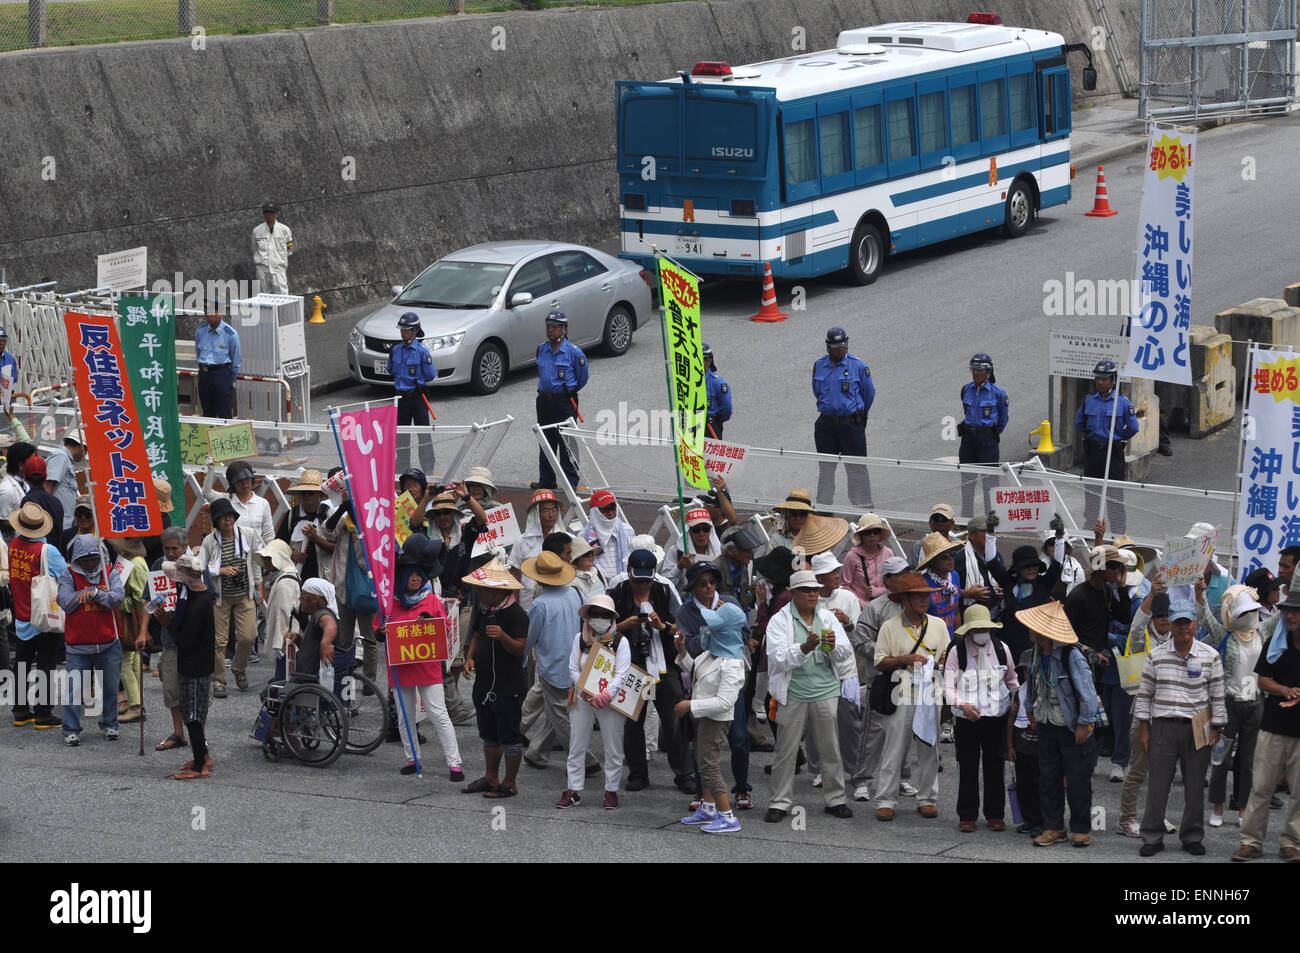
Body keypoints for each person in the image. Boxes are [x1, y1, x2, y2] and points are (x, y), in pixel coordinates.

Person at [1133, 600, 1226, 857]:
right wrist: (1144, 728)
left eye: (1188, 622)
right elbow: (1145, 694)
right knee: (1158, 785)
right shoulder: (1156, 655)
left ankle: (1192, 836)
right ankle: (1152, 836)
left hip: (1199, 726)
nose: (1183, 627)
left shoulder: (1210, 655)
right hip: (1163, 725)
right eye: (1178, 622)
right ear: (1171, 626)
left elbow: (1218, 695)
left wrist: (1217, 727)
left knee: (1195, 786)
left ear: (1196, 624)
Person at [764, 570, 856, 822]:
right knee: (786, 749)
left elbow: (846, 651)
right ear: (793, 593)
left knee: (830, 747)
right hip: (793, 692)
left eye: (815, 590)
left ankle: (835, 798)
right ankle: (779, 801)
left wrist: (832, 645)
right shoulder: (780, 620)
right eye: (807, 590)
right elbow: (777, 658)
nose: (813, 594)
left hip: (825, 689)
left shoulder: (827, 617)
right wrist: (804, 648)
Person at [608, 548, 690, 791]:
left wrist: (662, 626)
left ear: (654, 576)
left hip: (664, 663)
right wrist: (624, 625)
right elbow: (600, 630)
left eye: (646, 580)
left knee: (674, 719)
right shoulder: (616, 593)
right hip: (631, 665)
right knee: (633, 722)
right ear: (628, 574)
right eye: (637, 580)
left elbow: (681, 626)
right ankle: (637, 773)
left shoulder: (664, 590)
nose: (642, 585)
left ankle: (684, 773)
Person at [1020, 600, 1101, 847]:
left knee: (1077, 780)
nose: (1029, 630)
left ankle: (1080, 828)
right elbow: (1033, 683)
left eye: (1034, 627)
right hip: (1046, 723)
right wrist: (1030, 709)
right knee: (1048, 778)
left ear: (1045, 631)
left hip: (1070, 725)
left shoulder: (1071, 655)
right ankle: (1053, 826)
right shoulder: (1035, 652)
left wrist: (1084, 724)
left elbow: (1087, 693)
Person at [380, 543, 463, 780]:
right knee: (406, 716)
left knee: (438, 713)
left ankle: (455, 763)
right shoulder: (389, 603)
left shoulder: (432, 601)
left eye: (419, 574)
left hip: (427, 666)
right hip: (400, 666)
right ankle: (412, 758)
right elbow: (379, 627)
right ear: (401, 577)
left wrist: (431, 623)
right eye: (410, 574)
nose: (415, 578)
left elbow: (446, 629)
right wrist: (380, 633)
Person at [675, 561, 754, 810]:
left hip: (727, 678)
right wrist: (688, 647)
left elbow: (744, 636)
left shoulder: (729, 603)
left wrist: (718, 625)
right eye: (702, 584)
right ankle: (704, 795)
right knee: (702, 745)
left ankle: (739, 791)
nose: (709, 587)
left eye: (712, 582)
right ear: (693, 588)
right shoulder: (685, 611)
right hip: (705, 676)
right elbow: (694, 653)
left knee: (739, 738)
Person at [1232, 589, 1300, 862]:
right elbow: (1262, 681)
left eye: (1295, 611)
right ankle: (1251, 841)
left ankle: (1291, 843)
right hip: (1272, 727)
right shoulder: (1276, 642)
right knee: (1261, 787)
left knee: (1299, 792)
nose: (1290, 616)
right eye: (1287, 611)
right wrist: (1286, 690)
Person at [872, 573, 947, 821]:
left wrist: (938, 665)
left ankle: (927, 798)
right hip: (900, 693)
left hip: (930, 695)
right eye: (918, 596)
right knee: (894, 749)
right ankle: (885, 799)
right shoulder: (889, 627)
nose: (924, 600)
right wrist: (904, 660)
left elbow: (948, 660)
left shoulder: (938, 625)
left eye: (926, 595)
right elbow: (880, 662)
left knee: (929, 749)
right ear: (905, 599)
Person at [944, 605, 1019, 832]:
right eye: (977, 629)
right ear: (968, 631)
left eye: (984, 628)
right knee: (967, 765)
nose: (981, 632)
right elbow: (948, 687)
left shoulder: (1001, 648)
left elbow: (1012, 680)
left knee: (995, 765)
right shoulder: (957, 652)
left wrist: (1018, 705)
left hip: (996, 716)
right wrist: (962, 705)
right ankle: (967, 815)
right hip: (967, 718)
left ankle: (995, 814)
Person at [459, 559, 529, 798]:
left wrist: (502, 637)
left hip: (509, 685)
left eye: (484, 589)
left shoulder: (516, 614)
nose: (480, 593)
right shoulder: (484, 610)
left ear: (498, 591)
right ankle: (491, 777)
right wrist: (470, 658)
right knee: (488, 733)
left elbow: (520, 648)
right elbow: (477, 635)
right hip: (485, 683)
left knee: (509, 735)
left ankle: (510, 782)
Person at [677, 601, 748, 832]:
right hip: (703, 718)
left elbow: (725, 702)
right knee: (702, 761)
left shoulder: (733, 664)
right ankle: (708, 808)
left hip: (715, 721)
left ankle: (727, 816)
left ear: (725, 632)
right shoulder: (711, 653)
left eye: (714, 627)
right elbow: (694, 671)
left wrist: (690, 705)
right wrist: (683, 652)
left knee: (709, 766)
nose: (708, 629)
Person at [520, 551, 593, 772]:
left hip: (553, 664)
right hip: (577, 660)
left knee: (561, 715)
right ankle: (537, 753)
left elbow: (530, 636)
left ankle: (586, 759)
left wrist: (522, 659)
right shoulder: (575, 594)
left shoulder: (540, 604)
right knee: (558, 710)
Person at [557, 594, 629, 810]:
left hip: (610, 701)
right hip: (582, 697)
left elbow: (622, 673)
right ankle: (573, 789)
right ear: (587, 617)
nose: (599, 619)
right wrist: (586, 689)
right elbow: (572, 668)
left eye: (604, 615)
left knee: (613, 746)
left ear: (612, 618)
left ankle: (611, 791)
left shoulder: (620, 641)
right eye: (595, 615)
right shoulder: (579, 638)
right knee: (577, 745)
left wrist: (605, 694)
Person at [1204, 585, 1267, 828]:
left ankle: (1243, 808)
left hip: (1255, 704)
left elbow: (1283, 618)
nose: (1248, 616)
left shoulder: (1261, 630)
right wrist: (1201, 596)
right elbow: (1207, 620)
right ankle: (1217, 807)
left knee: (1249, 761)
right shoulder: (1226, 635)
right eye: (1242, 612)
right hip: (1229, 704)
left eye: (1251, 611)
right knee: (1220, 758)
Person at [848, 555, 909, 801]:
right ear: (887, 580)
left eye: (907, 573)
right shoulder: (876, 608)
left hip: (908, 679)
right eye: (900, 575)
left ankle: (902, 778)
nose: (905, 579)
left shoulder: (913, 603)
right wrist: (888, 653)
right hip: (882, 679)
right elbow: (861, 642)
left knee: (905, 731)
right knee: (873, 733)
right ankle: (862, 780)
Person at [58, 534, 126, 746]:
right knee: (73, 690)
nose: (90, 562)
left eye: (94, 557)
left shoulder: (109, 572)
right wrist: (85, 592)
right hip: (78, 644)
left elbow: (117, 598)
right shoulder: (67, 574)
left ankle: (110, 724)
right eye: (85, 558)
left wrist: (95, 593)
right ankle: (70, 729)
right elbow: (65, 602)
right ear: (77, 558)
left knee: (111, 687)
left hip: (109, 642)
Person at [158, 553, 217, 779]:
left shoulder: (196, 604)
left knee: (191, 715)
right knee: (197, 713)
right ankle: (202, 757)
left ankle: (199, 765)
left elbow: (185, 640)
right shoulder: (202, 595)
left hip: (193, 665)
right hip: (201, 663)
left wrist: (168, 624)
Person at [8, 503, 67, 730]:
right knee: (46, 664)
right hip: (44, 614)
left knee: (22, 662)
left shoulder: (13, 545)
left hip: (22, 613)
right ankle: (43, 713)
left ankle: (20, 710)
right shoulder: (46, 551)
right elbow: (65, 574)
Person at [199, 497, 262, 696]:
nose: (227, 521)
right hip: (220, 597)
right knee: (219, 642)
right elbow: (200, 566)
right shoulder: (209, 540)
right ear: (216, 521)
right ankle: (218, 682)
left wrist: (259, 588)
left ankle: (239, 668)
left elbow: (255, 562)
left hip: (244, 593)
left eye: (230, 516)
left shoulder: (248, 534)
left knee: (248, 637)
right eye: (223, 518)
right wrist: (220, 570)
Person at [812, 326, 874, 509]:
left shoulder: (858, 366)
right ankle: (824, 508)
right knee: (826, 469)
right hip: (826, 425)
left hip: (850, 425)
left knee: (856, 469)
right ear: (828, 347)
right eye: (836, 346)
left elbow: (868, 393)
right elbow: (817, 392)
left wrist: (859, 415)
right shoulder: (819, 365)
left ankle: (863, 508)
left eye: (844, 345)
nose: (841, 349)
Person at [1076, 359, 1139, 534]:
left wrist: (1118, 439)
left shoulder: (1123, 402)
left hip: (1113, 453)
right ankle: (1091, 527)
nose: (1100, 382)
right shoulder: (1088, 401)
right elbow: (1079, 423)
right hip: (1092, 452)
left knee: (1115, 494)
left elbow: (1133, 427)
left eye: (1104, 379)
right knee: (1092, 490)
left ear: (1113, 379)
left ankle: (1118, 531)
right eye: (1098, 378)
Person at [533, 310, 587, 490]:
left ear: (564, 329)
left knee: (567, 443)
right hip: (544, 401)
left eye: (555, 327)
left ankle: (571, 482)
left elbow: (582, 378)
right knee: (546, 441)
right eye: (548, 327)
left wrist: (566, 393)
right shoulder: (542, 349)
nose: (551, 330)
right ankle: (547, 479)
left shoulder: (574, 352)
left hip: (564, 402)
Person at [147, 527, 190, 752]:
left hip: (193, 641)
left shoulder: (194, 565)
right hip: (169, 639)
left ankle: (198, 734)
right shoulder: (157, 566)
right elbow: (148, 600)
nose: (171, 553)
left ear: (184, 547)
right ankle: (178, 732)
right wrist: (142, 630)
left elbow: (211, 598)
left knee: (195, 690)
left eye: (175, 548)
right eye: (167, 548)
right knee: (172, 688)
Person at [958, 353, 1009, 518]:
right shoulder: (966, 389)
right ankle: (966, 516)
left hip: (987, 440)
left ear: (988, 371)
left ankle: (991, 517)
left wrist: (990, 434)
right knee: (967, 480)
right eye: (974, 369)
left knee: (990, 482)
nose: (976, 373)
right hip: (968, 440)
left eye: (980, 369)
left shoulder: (998, 394)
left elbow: (1003, 419)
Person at [389, 312, 437, 475]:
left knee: (424, 436)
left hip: (417, 399)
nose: (403, 333)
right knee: (401, 437)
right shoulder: (395, 350)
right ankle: (402, 469)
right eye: (402, 330)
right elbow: (391, 370)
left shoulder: (422, 352)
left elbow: (430, 375)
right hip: (401, 398)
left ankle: (428, 470)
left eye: (407, 330)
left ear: (415, 330)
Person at [113, 537, 151, 725]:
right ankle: (138, 702)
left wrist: (118, 600)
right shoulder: (134, 561)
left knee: (125, 662)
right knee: (134, 660)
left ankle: (136, 706)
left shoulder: (134, 565)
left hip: (131, 618)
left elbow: (138, 597)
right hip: (132, 617)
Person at [1006, 649, 1042, 836]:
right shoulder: (1019, 692)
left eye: (1032, 670)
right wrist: (1010, 746)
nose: (1029, 674)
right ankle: (1028, 819)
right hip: (1022, 744)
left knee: (1040, 784)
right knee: (1024, 784)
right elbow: (1011, 719)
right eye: (1026, 671)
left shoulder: (1044, 690)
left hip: (1040, 745)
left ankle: (1040, 821)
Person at [509, 489, 562, 612]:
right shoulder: (522, 541)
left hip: (555, 601)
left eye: (554, 510)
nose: (551, 515)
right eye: (546, 510)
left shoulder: (566, 539)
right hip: (527, 603)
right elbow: (515, 574)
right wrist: (515, 606)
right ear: (536, 513)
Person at [277, 470, 334, 583]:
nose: (306, 496)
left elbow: (339, 549)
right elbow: (278, 544)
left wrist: (316, 538)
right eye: (303, 492)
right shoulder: (292, 515)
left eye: (310, 492)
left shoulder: (330, 515)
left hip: (323, 578)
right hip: (295, 577)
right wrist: (291, 554)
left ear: (320, 495)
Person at [257, 539, 301, 678]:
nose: (265, 561)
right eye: (264, 558)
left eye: (269, 558)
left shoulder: (284, 583)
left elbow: (283, 614)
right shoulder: (283, 576)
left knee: (284, 679)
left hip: (287, 640)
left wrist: (278, 643)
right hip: (289, 637)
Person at [194, 303, 240, 419]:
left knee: (224, 412)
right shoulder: (200, 331)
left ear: (221, 313)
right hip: (204, 375)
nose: (209, 316)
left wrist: (229, 379)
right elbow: (198, 353)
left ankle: (225, 437)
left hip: (221, 375)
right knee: (207, 412)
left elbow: (236, 360)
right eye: (207, 312)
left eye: (213, 312)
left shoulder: (231, 334)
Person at [214, 461, 275, 547]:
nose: (245, 484)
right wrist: (210, 470)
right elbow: (206, 494)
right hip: (231, 554)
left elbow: (269, 534)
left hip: (256, 555)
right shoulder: (226, 500)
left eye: (247, 479)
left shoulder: (263, 503)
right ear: (233, 483)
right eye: (240, 481)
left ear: (252, 479)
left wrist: (271, 554)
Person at [840, 513, 895, 605]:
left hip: (885, 605)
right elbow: (845, 586)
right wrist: (862, 604)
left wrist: (879, 591)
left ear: (880, 534)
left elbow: (895, 582)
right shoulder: (852, 556)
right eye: (867, 532)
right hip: (859, 607)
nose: (872, 535)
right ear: (861, 535)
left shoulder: (888, 553)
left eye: (876, 531)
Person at [917, 532, 963, 639]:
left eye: (953, 554)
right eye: (945, 556)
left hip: (951, 641)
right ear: (932, 561)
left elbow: (956, 612)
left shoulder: (955, 576)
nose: (951, 558)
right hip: (930, 641)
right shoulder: (922, 583)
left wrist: (958, 640)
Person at [582, 489, 634, 582]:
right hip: (596, 584)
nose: (610, 513)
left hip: (624, 582)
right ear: (595, 512)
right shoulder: (584, 536)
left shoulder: (627, 531)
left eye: (613, 509)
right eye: (605, 510)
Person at [664, 507, 721, 590]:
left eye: (705, 529)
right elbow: (664, 585)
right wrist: (679, 567)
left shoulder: (719, 552)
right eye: (696, 530)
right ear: (688, 531)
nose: (701, 534)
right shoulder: (676, 551)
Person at [712, 526, 761, 618]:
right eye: (746, 550)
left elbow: (747, 595)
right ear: (730, 550)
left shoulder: (743, 566)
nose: (750, 554)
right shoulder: (714, 570)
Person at [44, 431, 83, 532]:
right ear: (80, 447)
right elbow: (47, 485)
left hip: (63, 523)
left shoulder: (66, 459)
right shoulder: (60, 456)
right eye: (86, 450)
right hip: (57, 523)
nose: (84, 455)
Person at [252, 201, 293, 294]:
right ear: (263, 213)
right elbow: (255, 249)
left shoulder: (285, 230)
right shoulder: (257, 231)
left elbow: (289, 249)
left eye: (271, 212)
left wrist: (279, 260)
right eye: (266, 212)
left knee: (283, 298)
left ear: (277, 213)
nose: (269, 214)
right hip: (262, 271)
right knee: (264, 298)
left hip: (278, 271)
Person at [20, 456, 63, 539]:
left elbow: (26, 534)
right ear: (46, 476)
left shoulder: (27, 501)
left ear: (25, 476)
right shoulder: (56, 501)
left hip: (34, 551)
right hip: (55, 551)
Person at [0, 440, 35, 529]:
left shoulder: (26, 483)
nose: (34, 464)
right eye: (31, 461)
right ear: (21, 465)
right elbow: (3, 522)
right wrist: (30, 522)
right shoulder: (6, 490)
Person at [702, 342, 732, 439]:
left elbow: (726, 409)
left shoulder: (717, 383)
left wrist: (716, 421)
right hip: (690, 425)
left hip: (710, 428)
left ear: (709, 360)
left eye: (700, 360)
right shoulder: (688, 381)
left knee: (711, 455)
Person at [570, 537, 605, 602]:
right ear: (576, 560)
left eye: (591, 553)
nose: (591, 556)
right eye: (586, 554)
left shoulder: (598, 573)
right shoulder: (572, 582)